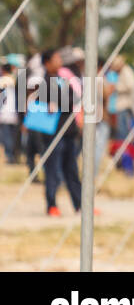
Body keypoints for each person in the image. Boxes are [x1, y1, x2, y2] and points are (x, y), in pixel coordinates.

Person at [32, 49, 83, 216]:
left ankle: (80, 204)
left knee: (72, 170)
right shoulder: (45, 82)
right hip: (53, 134)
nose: (59, 61)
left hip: (68, 132)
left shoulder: (63, 79)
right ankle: (52, 205)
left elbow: (72, 100)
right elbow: (58, 102)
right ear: (47, 63)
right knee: (52, 170)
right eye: (55, 58)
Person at [0, 64, 18, 164]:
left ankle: (10, 156)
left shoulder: (2, 80)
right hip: (14, 112)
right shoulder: (14, 80)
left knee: (6, 136)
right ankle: (14, 155)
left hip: (4, 113)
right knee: (13, 136)